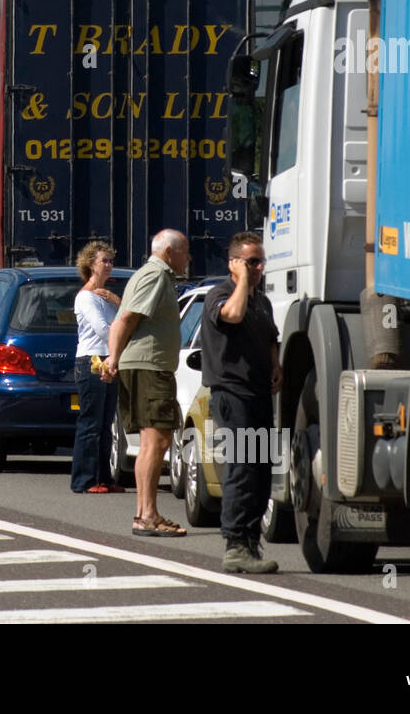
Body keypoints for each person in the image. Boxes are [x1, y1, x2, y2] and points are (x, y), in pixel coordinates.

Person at [201, 231, 280, 573]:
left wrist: (276, 365)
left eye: (261, 261)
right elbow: (231, 316)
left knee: (262, 472)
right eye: (251, 262)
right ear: (233, 263)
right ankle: (235, 546)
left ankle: (250, 542)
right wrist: (242, 280)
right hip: (233, 396)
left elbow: (271, 337)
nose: (259, 267)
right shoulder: (220, 295)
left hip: (260, 394)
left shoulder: (261, 302)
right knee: (242, 469)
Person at [104, 229, 190, 538]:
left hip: (147, 366)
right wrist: (113, 359)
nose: (189, 258)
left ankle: (143, 514)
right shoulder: (154, 276)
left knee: (152, 442)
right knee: (157, 440)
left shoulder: (154, 275)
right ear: (169, 252)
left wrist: (115, 359)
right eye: (185, 252)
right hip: (147, 366)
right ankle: (148, 514)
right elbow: (125, 319)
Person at [71, 241, 124, 494]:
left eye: (111, 261)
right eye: (104, 260)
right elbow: (105, 329)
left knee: (105, 425)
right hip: (91, 362)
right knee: (90, 424)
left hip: (109, 359)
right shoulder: (85, 297)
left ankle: (104, 478)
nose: (109, 265)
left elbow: (123, 322)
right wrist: (121, 337)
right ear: (90, 264)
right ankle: (84, 480)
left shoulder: (107, 297)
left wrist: (118, 300)